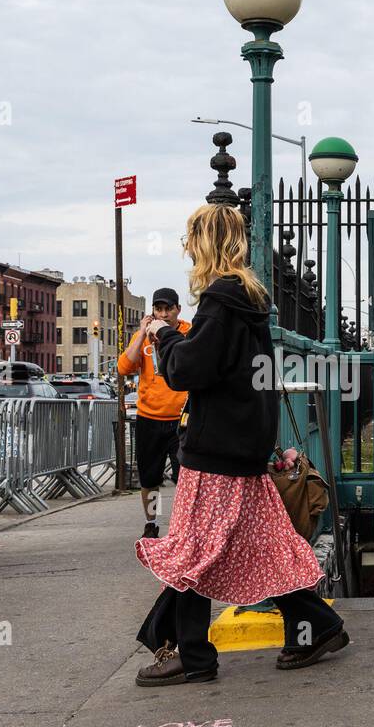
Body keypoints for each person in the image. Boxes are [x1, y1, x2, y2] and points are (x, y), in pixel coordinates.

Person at [133, 203, 349, 686]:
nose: (186, 248)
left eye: (190, 239)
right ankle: (319, 626)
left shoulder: (219, 299)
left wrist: (165, 335)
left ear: (204, 243)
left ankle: (192, 654)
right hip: (242, 446)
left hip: (217, 449)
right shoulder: (245, 296)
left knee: (193, 548)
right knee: (262, 546)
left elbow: (190, 369)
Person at [117, 287, 190, 539]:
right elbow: (124, 366)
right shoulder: (144, 338)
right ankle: (152, 522)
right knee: (150, 479)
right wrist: (141, 333)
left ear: (178, 310)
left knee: (186, 478)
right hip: (149, 417)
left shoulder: (187, 332)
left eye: (169, 308)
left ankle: (183, 526)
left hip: (181, 418)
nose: (164, 313)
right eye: (159, 309)